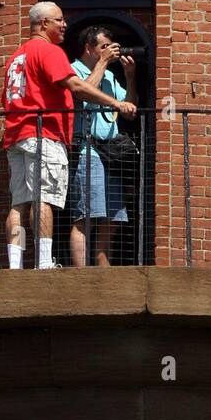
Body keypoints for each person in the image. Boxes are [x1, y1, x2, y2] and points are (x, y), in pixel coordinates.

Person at [3, 2, 137, 269]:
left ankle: (15, 266)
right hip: (44, 133)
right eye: (59, 20)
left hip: (17, 134)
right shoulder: (48, 50)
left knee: (19, 204)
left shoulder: (17, 56)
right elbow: (77, 86)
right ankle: (43, 263)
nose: (64, 24)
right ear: (43, 24)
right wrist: (114, 103)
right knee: (44, 199)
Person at [69, 27, 138, 268]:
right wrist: (103, 64)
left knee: (111, 220)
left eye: (111, 47)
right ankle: (82, 276)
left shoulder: (110, 76)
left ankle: (104, 275)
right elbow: (84, 93)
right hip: (89, 150)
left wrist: (129, 76)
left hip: (113, 153)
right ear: (88, 48)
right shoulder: (74, 69)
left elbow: (128, 110)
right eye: (103, 47)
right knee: (87, 216)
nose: (108, 51)